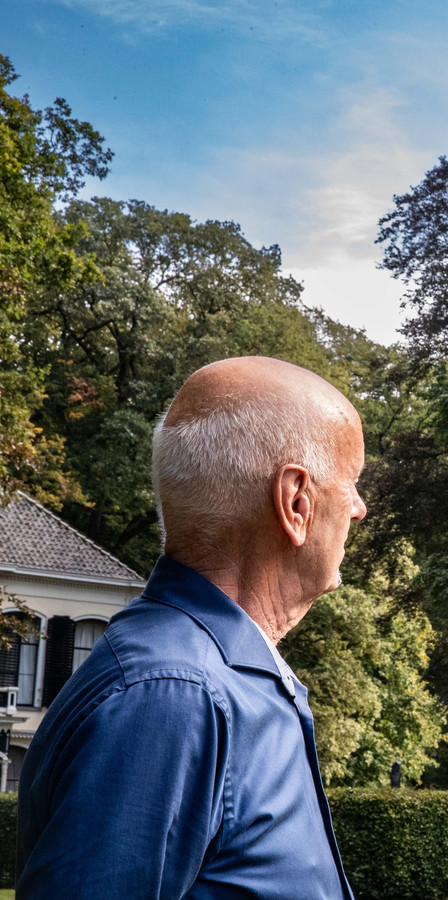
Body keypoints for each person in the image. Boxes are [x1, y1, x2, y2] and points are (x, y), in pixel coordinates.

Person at [17, 357, 367, 899]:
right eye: (352, 484)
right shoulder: (172, 696)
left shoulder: (211, 680)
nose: (360, 508)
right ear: (296, 502)